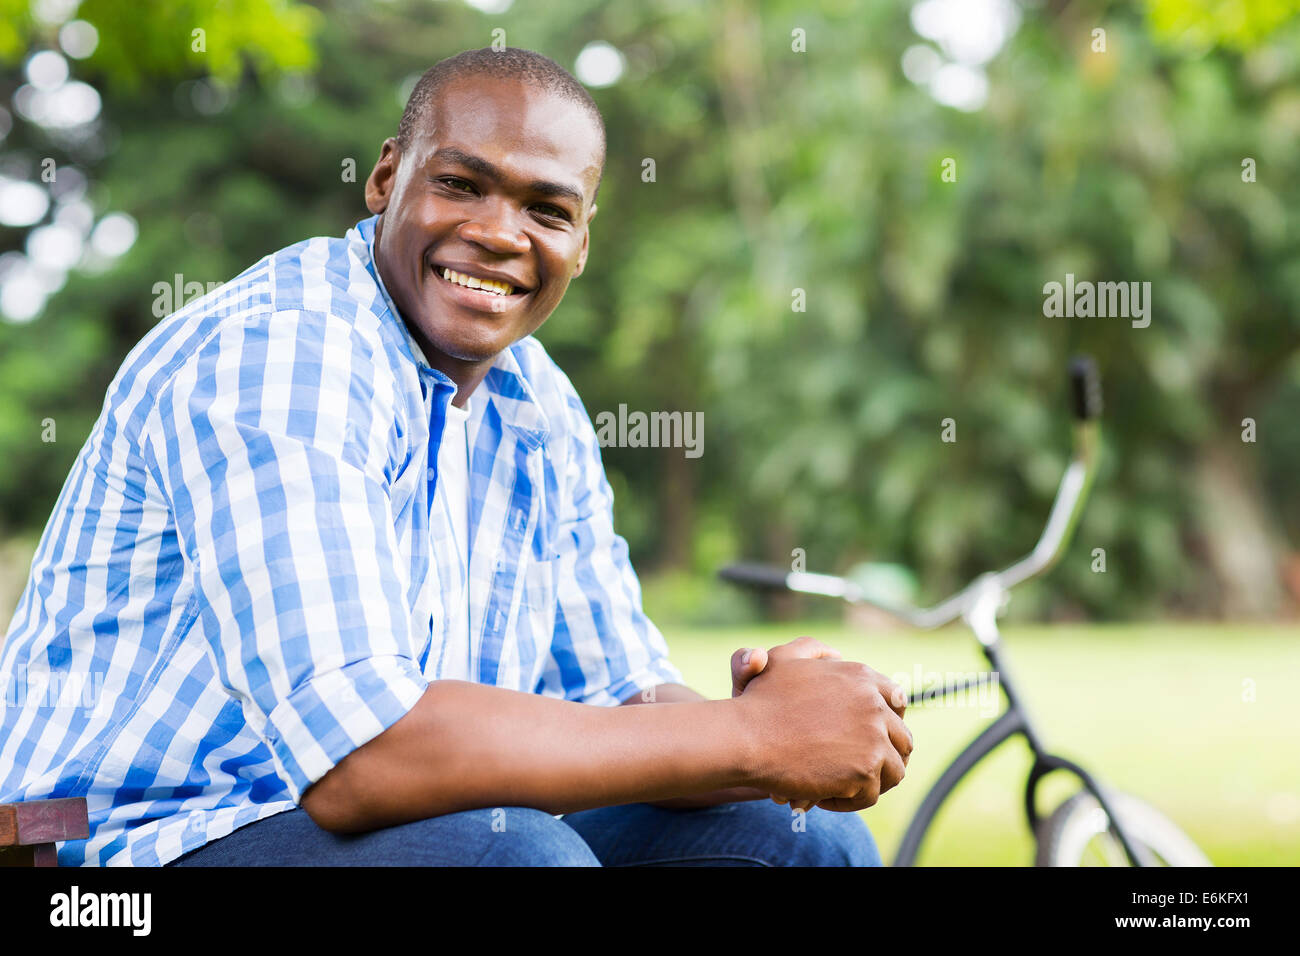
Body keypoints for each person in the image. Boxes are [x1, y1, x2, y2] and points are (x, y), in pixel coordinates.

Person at [0, 47, 912, 867]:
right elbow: (365, 761)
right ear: (386, 178)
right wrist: (750, 741)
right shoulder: (286, 353)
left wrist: (782, 724)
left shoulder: (538, 404)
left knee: (801, 839)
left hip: (366, 829)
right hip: (109, 850)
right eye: (463, 184)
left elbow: (616, 700)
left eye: (547, 209)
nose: (501, 234)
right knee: (516, 861)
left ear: (582, 243)